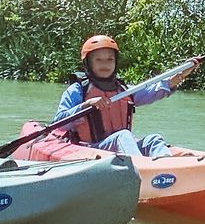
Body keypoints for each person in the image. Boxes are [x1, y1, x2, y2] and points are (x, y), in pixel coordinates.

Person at [53, 34, 195, 157]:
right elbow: (58, 123)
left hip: (122, 148)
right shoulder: (78, 90)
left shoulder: (123, 90)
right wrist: (85, 105)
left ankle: (166, 165)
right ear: (88, 63)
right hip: (91, 149)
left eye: (110, 59)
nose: (105, 64)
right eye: (98, 60)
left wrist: (177, 78)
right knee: (124, 135)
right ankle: (143, 167)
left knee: (153, 139)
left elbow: (153, 92)